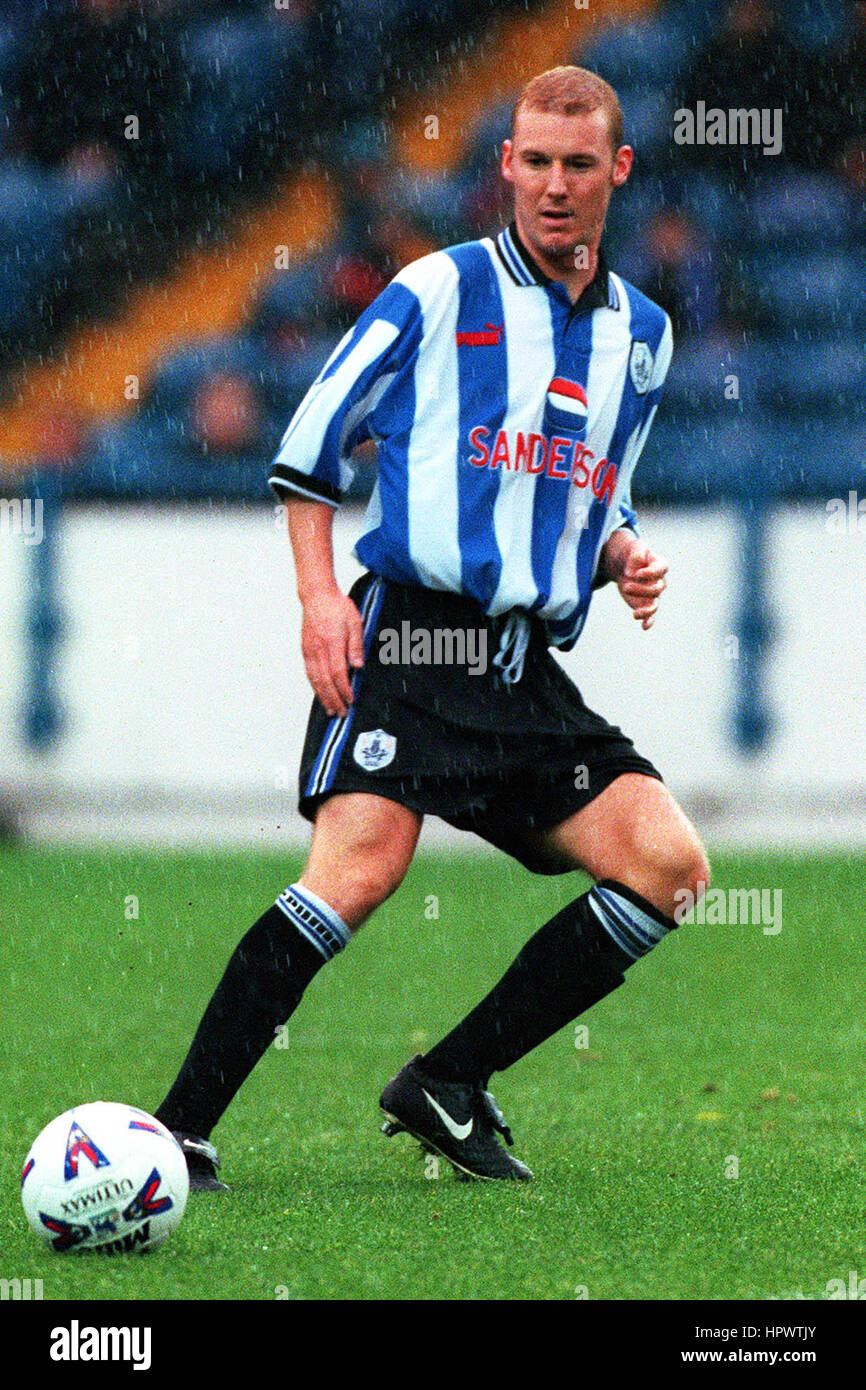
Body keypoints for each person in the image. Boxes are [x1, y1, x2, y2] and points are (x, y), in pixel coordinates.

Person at [153, 65, 710, 1187]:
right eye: (535, 163)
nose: (555, 186)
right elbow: (308, 453)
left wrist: (617, 554)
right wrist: (318, 599)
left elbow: (593, 495)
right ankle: (177, 1133)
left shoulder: (641, 341)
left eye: (578, 165)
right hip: (412, 643)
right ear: (504, 166)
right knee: (357, 873)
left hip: (520, 669)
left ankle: (446, 1083)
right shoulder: (435, 291)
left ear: (618, 171)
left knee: (669, 866)